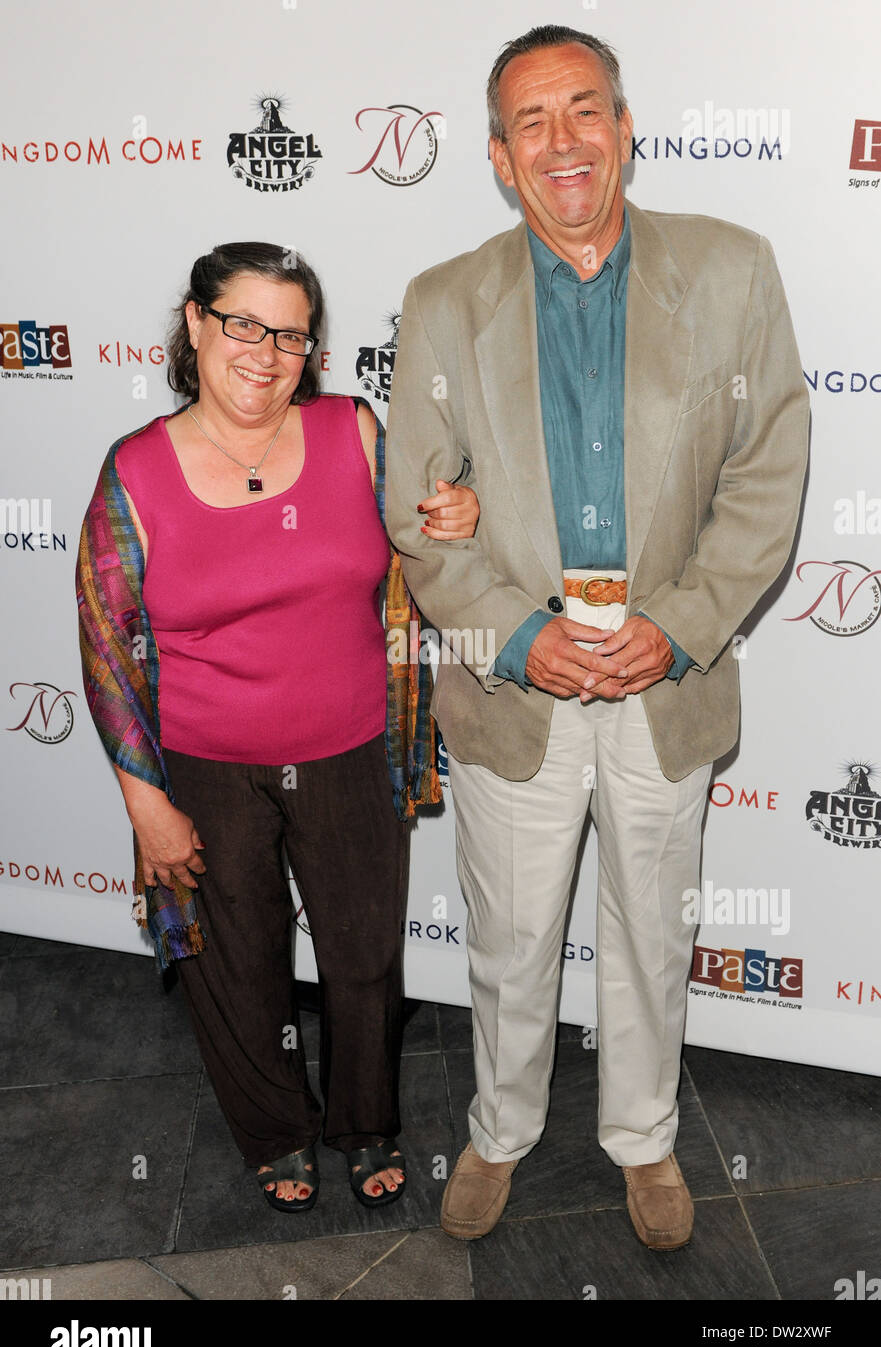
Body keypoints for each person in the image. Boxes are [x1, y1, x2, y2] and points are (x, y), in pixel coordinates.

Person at [386, 26, 809, 1246]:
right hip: (514, 691)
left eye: (584, 111)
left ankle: (645, 1141)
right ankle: (498, 1129)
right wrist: (516, 635)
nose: (561, 141)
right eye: (532, 121)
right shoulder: (442, 302)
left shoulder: (731, 271)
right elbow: (416, 510)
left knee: (648, 927)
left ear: (625, 128)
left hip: (661, 682)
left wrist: (672, 627)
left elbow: (767, 471)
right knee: (509, 938)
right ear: (497, 157)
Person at [76, 241, 479, 1212]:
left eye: (289, 332)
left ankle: (363, 1124)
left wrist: (457, 514)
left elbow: (421, 539)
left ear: (312, 349)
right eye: (242, 323)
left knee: (362, 956)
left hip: (349, 750)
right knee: (235, 966)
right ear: (195, 323)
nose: (264, 350)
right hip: (206, 766)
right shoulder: (136, 470)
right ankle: (273, 1132)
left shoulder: (355, 432)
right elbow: (104, 640)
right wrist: (146, 805)